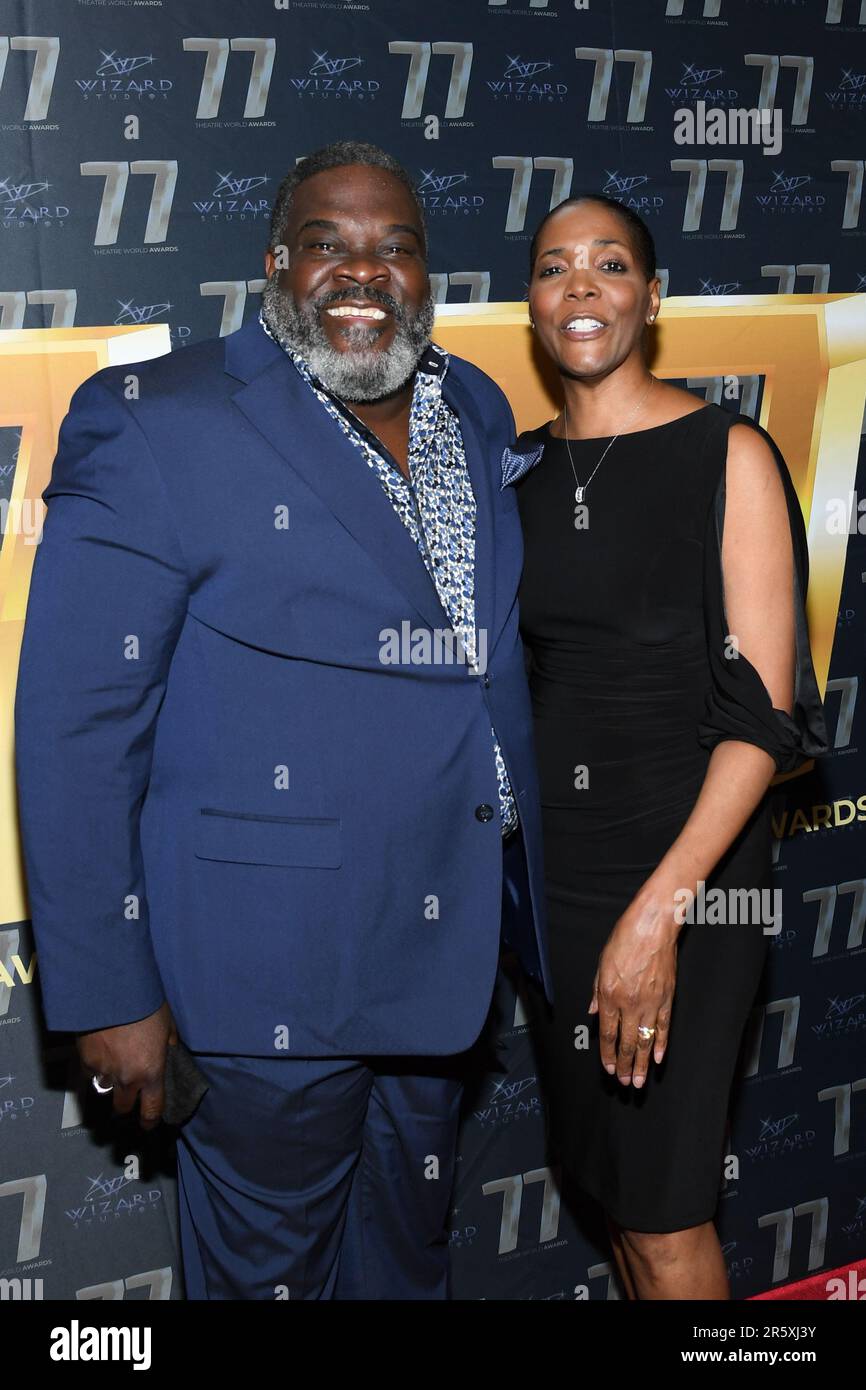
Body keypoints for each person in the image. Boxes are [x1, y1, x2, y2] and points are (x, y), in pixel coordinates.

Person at [13, 141, 551, 1300]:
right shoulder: (161, 417)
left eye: (395, 247)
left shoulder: (477, 404)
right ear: (273, 265)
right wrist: (109, 992)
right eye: (329, 244)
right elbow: (75, 723)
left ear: (426, 274)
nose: (364, 272)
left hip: (442, 955)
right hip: (264, 980)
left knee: (404, 1263)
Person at [506, 193, 827, 1300]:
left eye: (608, 265)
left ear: (651, 298)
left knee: (664, 1207)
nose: (581, 286)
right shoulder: (515, 475)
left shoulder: (723, 452)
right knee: (619, 1209)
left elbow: (763, 715)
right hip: (560, 886)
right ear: (532, 304)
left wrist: (659, 912)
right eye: (555, 267)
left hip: (686, 878)